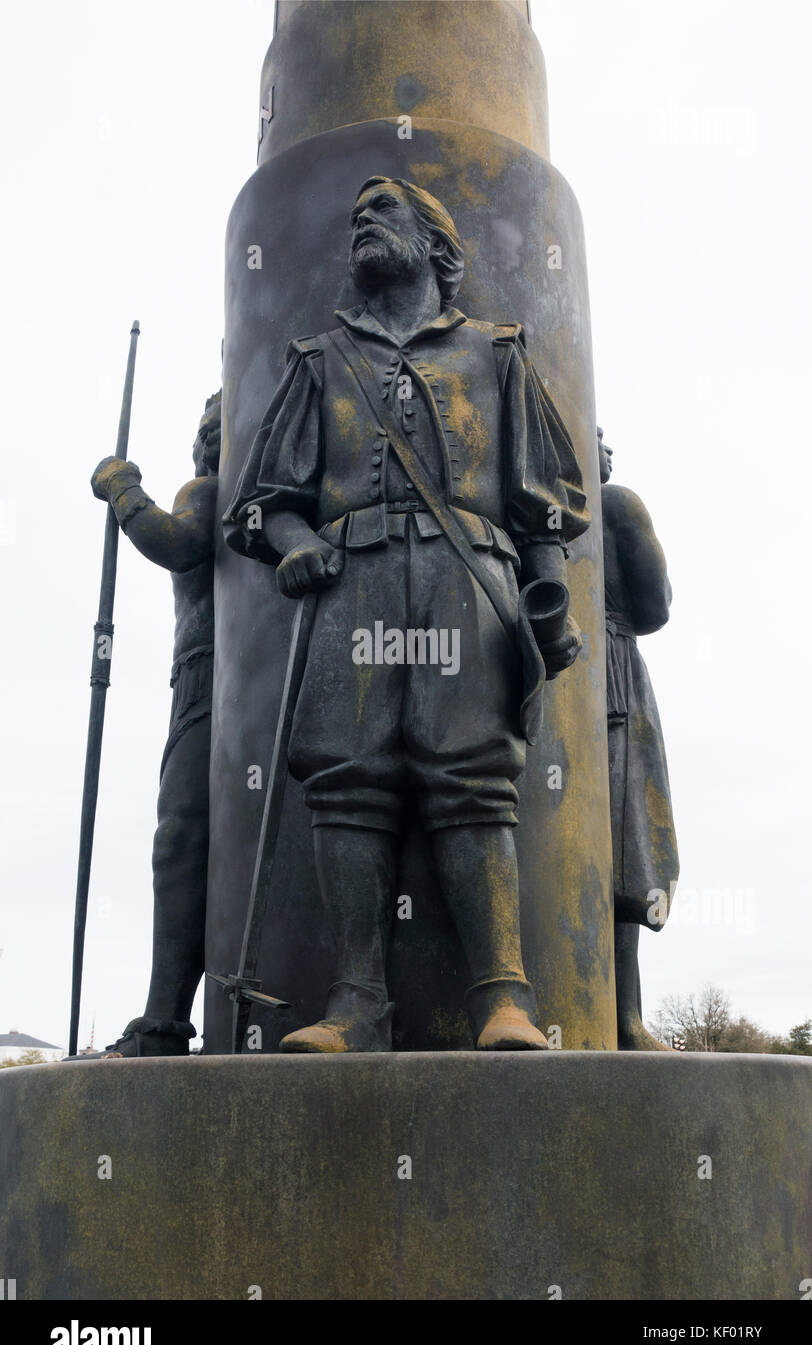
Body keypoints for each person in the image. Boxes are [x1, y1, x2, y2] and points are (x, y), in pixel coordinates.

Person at [224, 176, 591, 1053]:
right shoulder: (319, 360)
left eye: (381, 212)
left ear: (436, 244)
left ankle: (503, 997)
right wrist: (294, 540)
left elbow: (541, 501)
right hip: (356, 583)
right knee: (349, 784)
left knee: (473, 779)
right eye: (354, 215)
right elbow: (265, 502)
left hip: (469, 583)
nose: (361, 224)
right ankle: (358, 1006)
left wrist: (548, 607)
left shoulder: (496, 352)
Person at [84, 391, 221, 1057]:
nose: (208, 440)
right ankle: (166, 1015)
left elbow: (177, 542)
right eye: (206, 430)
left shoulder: (210, 492)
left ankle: (165, 1019)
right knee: (183, 841)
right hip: (206, 676)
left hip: (214, 682)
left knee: (182, 841)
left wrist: (123, 489)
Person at [599, 426, 679, 1051]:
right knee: (622, 847)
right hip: (603, 674)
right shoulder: (615, 504)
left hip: (548, 673)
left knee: (623, 850)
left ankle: (625, 1016)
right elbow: (655, 606)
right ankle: (624, 1017)